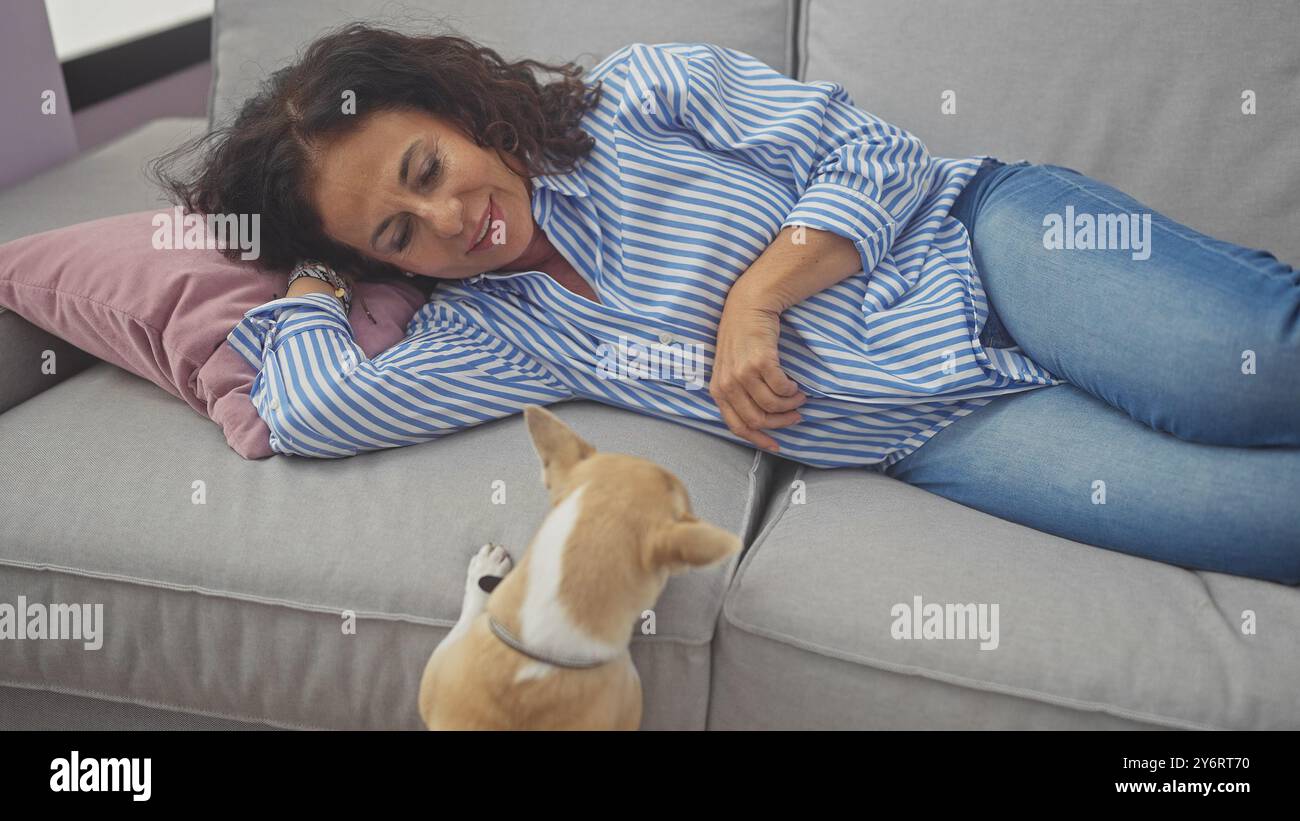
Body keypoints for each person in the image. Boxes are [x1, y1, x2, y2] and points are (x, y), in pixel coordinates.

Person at [152, 24, 1300, 584]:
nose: (451, 219)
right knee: (1266, 523)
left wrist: (757, 297)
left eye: (423, 169)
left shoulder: (641, 92)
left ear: (448, 110)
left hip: (981, 242)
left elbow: (878, 155)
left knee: (1243, 370)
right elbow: (304, 412)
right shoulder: (495, 334)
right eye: (399, 233)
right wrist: (315, 279)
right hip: (938, 423)